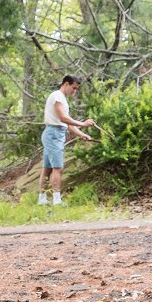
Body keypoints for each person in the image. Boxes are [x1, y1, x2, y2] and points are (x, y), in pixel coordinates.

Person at [38, 75, 95, 205]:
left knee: (47, 168)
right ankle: (57, 200)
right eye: (73, 88)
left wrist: (82, 134)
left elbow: (68, 124)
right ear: (66, 84)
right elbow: (63, 118)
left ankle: (42, 199)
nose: (74, 91)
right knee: (58, 168)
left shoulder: (62, 99)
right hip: (53, 134)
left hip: (55, 133)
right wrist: (83, 123)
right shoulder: (57, 96)